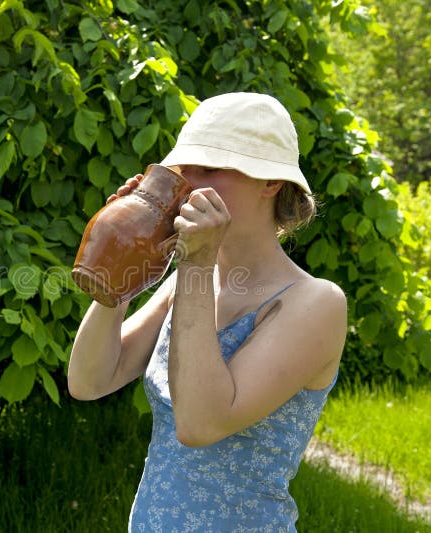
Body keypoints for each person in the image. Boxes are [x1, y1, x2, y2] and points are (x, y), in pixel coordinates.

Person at [67, 92, 347, 532]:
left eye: (211, 168)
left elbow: (200, 423)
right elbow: (89, 381)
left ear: (270, 181)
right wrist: (121, 264)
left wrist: (197, 263)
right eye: (185, 168)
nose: (189, 183)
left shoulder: (315, 303)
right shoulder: (187, 283)